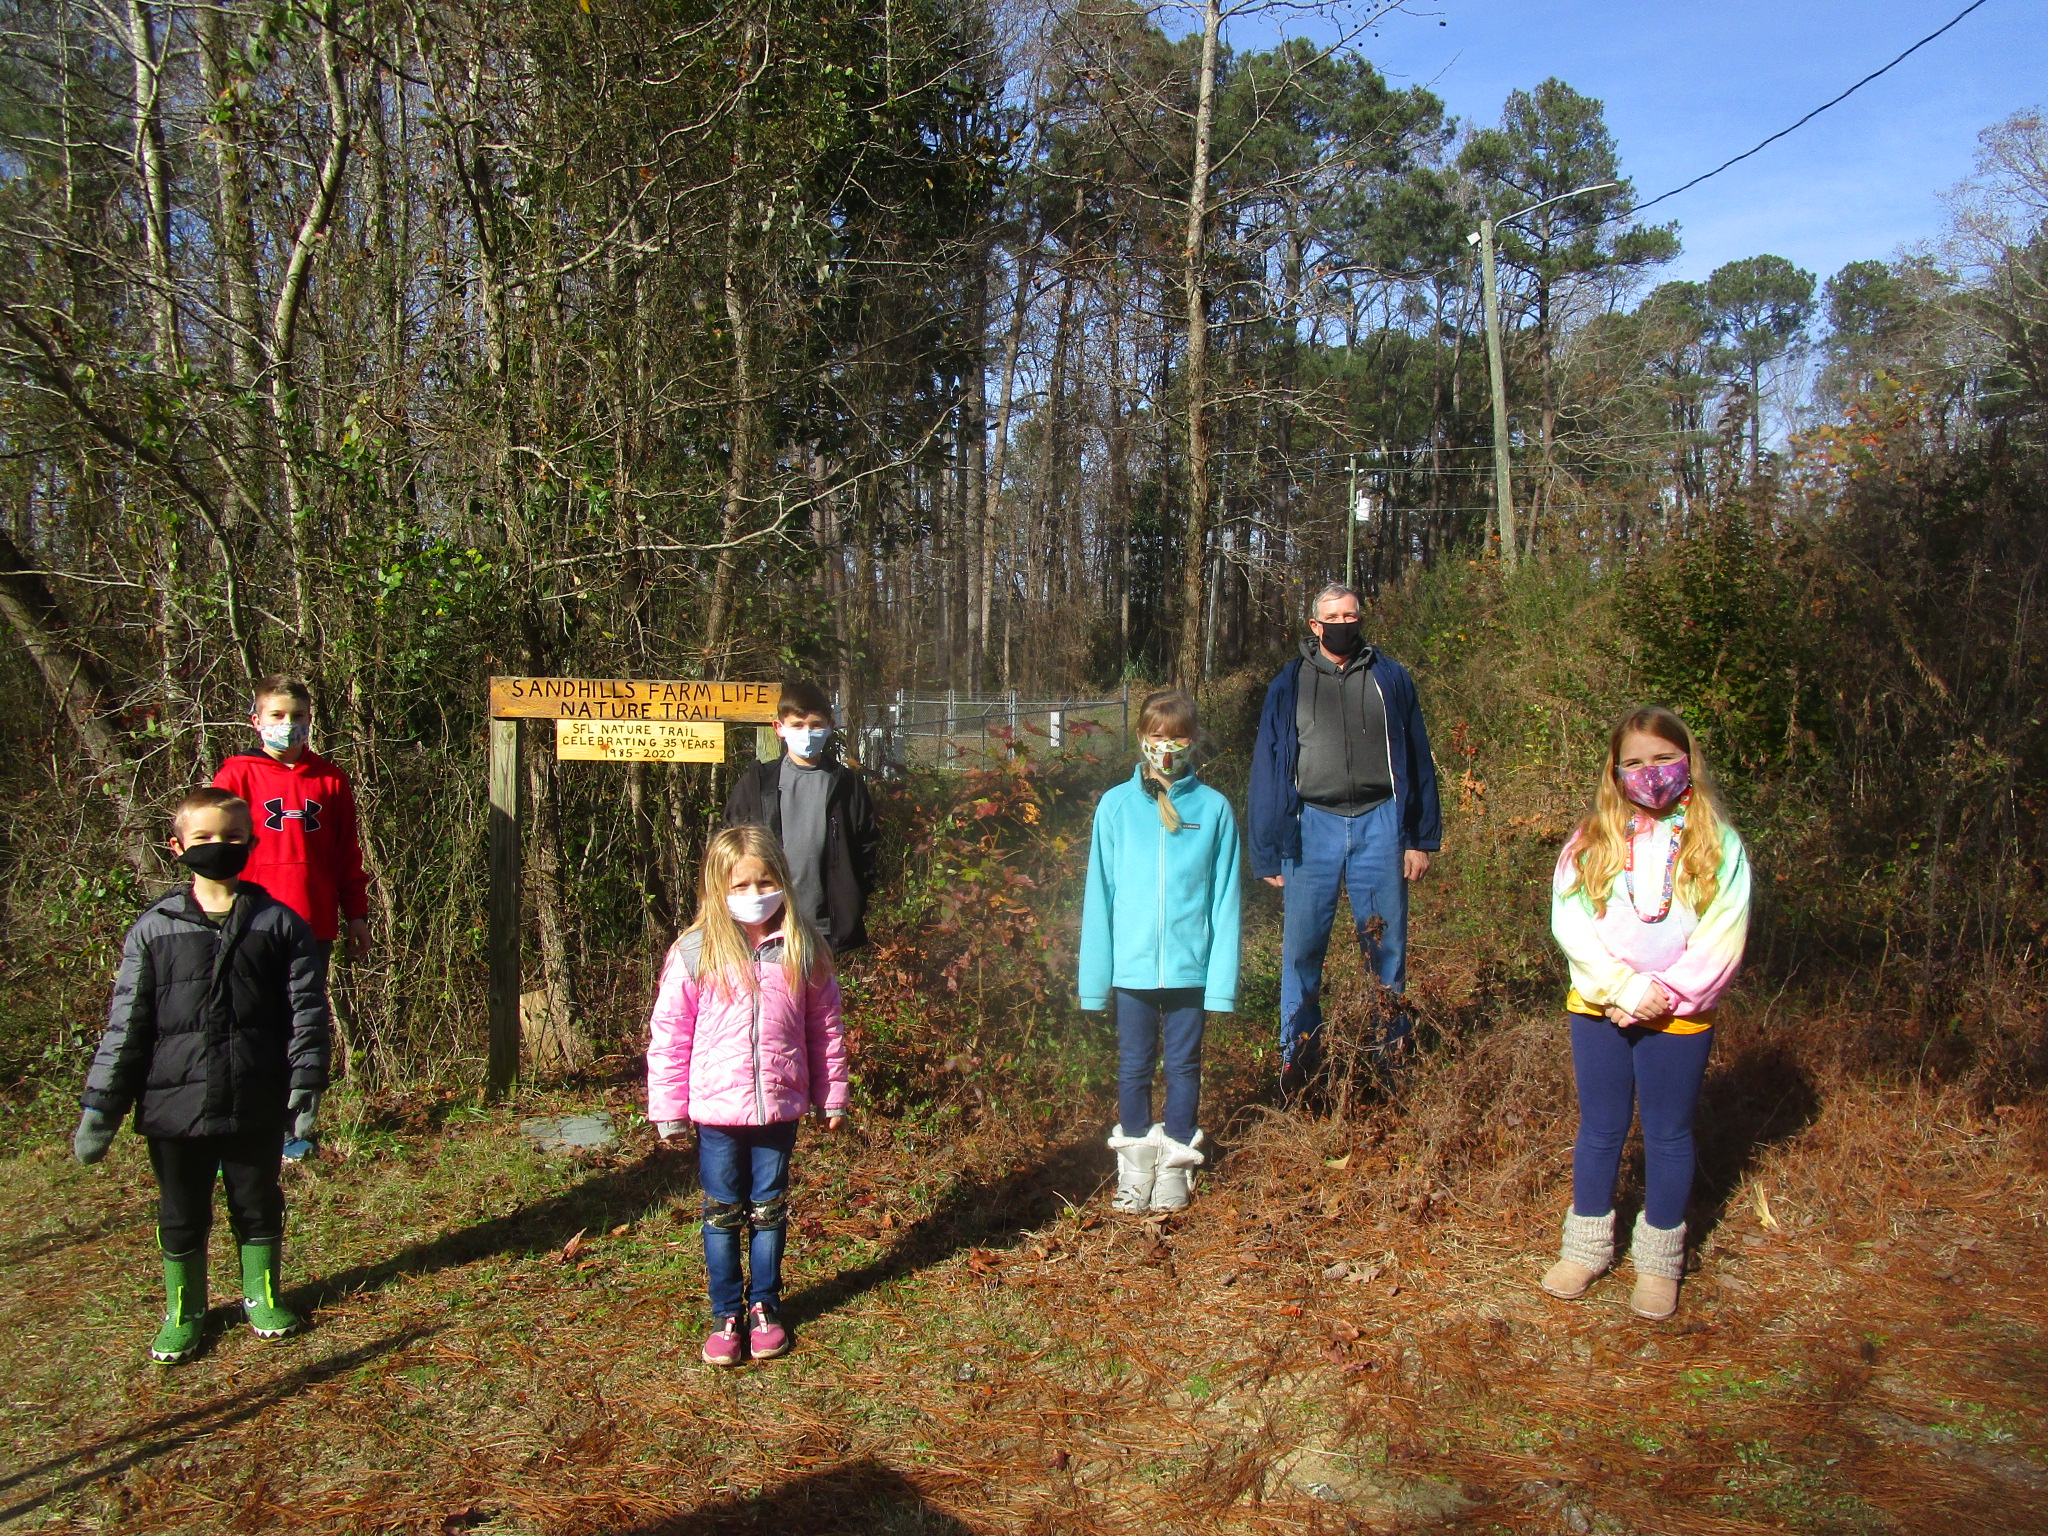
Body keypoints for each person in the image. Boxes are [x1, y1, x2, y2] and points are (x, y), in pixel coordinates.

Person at [71, 787, 331, 1364]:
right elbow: (127, 1025)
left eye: (232, 838)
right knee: (181, 1209)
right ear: (178, 846)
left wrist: (306, 1084)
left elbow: (307, 1012)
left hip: (254, 1095)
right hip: (172, 1103)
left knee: (257, 1200)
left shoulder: (278, 923)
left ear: (251, 843)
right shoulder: (154, 929)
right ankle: (183, 1312)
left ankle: (261, 1297)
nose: (219, 847)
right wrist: (102, 1105)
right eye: (205, 838)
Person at [1542, 706, 1751, 1321]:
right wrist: (1623, 989)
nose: (1649, 772)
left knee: (1667, 1133)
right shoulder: (1591, 842)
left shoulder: (1719, 845)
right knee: (1601, 1129)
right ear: (1614, 772)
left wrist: (1669, 996)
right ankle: (1586, 1248)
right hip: (1600, 1007)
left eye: (1662, 760)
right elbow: (1571, 922)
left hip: (1679, 1017)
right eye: (1633, 762)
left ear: (1687, 762)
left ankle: (1659, 1262)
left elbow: (1725, 933)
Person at [647, 824, 849, 1367]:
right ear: (717, 888)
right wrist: (667, 1110)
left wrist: (831, 1095)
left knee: (770, 1209)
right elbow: (670, 1036)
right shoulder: (695, 950)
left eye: (764, 881)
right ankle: (725, 1314)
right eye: (740, 885)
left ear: (781, 880)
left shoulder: (803, 945)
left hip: (779, 1110)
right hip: (715, 1113)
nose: (753, 893)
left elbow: (824, 1027)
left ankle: (765, 1306)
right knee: (722, 1213)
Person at [1248, 584, 1441, 1099]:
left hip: (1381, 822)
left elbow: (1417, 757)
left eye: (1350, 615)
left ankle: (1392, 1066)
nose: (1342, 623)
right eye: (1331, 617)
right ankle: (1298, 1065)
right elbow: (1268, 763)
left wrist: (1420, 838)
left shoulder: (1390, 677)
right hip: (1312, 825)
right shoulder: (1289, 683)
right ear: (1315, 626)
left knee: (1386, 951)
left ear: (1361, 619)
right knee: (1301, 953)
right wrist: (1268, 846)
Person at [1078, 690, 1241, 1213]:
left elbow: (1225, 900)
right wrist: (1094, 982)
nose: (1165, 746)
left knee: (1184, 1067)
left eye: (1176, 737)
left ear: (1192, 742)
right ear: (1142, 739)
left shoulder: (1214, 809)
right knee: (1133, 1067)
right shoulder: (1115, 806)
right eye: (1156, 736)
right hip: (1132, 972)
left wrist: (1220, 985)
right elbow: (1098, 896)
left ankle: (1174, 1167)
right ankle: (1135, 1168)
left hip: (1190, 971)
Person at [212, 675, 372, 982]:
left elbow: (346, 854)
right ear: (257, 721)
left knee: (304, 1019)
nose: (287, 724)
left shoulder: (330, 780)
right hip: (250, 921)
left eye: (297, 716)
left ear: (310, 719)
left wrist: (356, 915)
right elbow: (216, 854)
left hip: (313, 921)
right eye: (277, 715)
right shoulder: (235, 778)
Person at [724, 680, 879, 954]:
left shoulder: (846, 785)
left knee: (819, 996)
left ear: (831, 726)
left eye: (816, 725)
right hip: (766, 924)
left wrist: (852, 897)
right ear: (779, 728)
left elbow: (866, 847)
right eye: (797, 725)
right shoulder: (756, 783)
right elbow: (729, 846)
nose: (807, 733)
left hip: (823, 928)